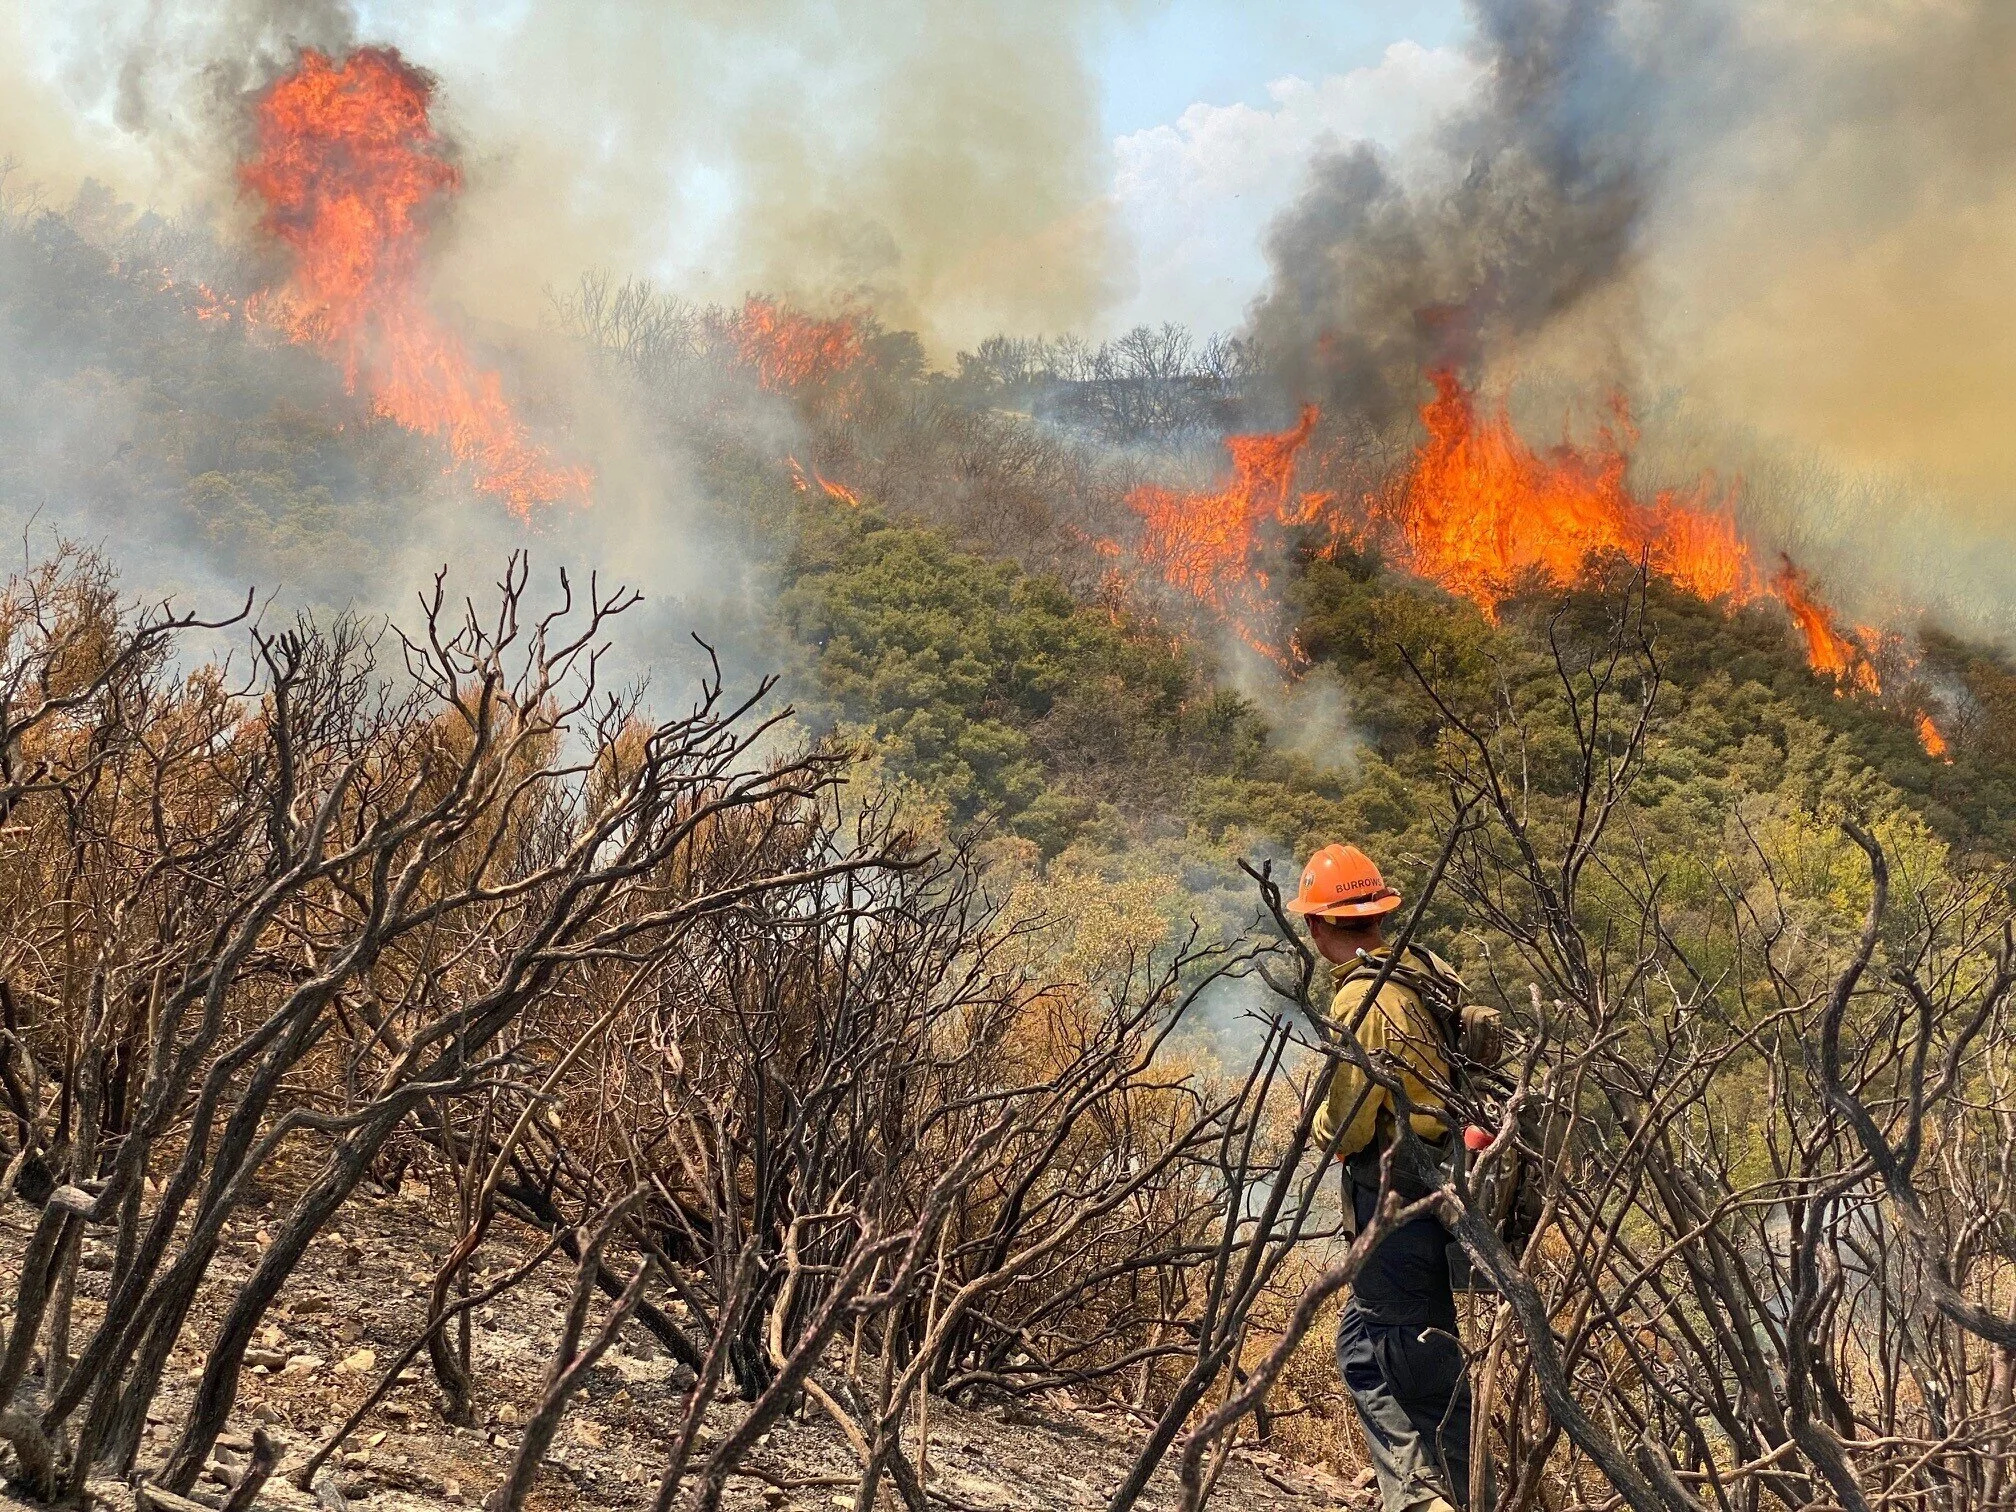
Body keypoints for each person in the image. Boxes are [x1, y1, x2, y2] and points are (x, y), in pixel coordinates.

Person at [1286, 842, 1470, 1512]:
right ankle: (1443, 1489)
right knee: (1383, 1341)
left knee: (1394, 1351)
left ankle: (1426, 1500)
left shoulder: (1362, 999)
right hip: (1447, 1182)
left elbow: (1353, 1123)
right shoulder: (1423, 970)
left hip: (1396, 1194)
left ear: (1316, 926)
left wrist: (1326, 1135)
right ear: (1378, 915)